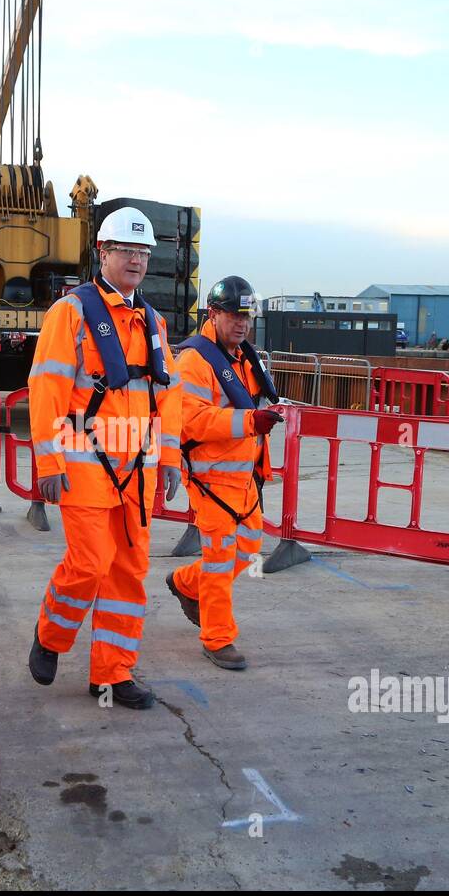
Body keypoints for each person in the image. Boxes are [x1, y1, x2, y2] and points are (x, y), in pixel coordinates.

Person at [25, 206, 182, 710]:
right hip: (85, 466)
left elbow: (169, 396)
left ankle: (112, 674)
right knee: (90, 564)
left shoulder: (152, 321)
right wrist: (48, 461)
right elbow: (46, 388)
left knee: (128, 573)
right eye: (126, 251)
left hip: (137, 471)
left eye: (143, 252)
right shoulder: (70, 313)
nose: (136, 260)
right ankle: (50, 636)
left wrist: (172, 458)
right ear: (103, 253)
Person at [165, 276, 283, 669]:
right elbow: (194, 422)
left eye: (246, 316)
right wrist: (251, 421)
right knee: (219, 558)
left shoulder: (242, 358)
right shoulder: (193, 361)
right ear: (213, 315)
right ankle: (217, 638)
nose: (242, 323)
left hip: (243, 478)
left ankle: (184, 582)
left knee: (249, 549)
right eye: (234, 315)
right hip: (210, 478)